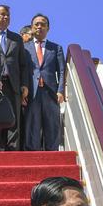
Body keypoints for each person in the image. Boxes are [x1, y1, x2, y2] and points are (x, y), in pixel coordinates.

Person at [0, 5, 30, 151]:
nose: (6, 17)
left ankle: (13, 149)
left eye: (8, 15)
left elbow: (23, 64)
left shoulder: (16, 38)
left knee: (14, 119)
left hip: (13, 84)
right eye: (2, 14)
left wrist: (25, 84)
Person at [24, 13, 65, 151]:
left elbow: (61, 71)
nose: (39, 27)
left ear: (48, 28)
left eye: (43, 24)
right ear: (31, 27)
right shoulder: (24, 47)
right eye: (36, 24)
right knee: (32, 126)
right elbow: (22, 70)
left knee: (52, 126)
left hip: (51, 93)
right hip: (32, 92)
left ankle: (52, 155)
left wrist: (60, 91)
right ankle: (32, 157)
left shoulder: (56, 48)